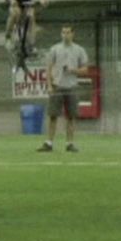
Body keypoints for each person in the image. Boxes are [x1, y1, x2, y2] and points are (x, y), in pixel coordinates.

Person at [38, 25, 89, 153]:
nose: (65, 35)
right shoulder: (55, 49)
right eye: (63, 32)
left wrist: (73, 70)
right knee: (53, 116)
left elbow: (85, 70)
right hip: (57, 86)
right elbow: (48, 69)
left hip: (72, 87)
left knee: (71, 117)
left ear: (72, 34)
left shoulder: (79, 50)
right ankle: (49, 143)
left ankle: (69, 143)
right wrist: (49, 85)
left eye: (68, 32)